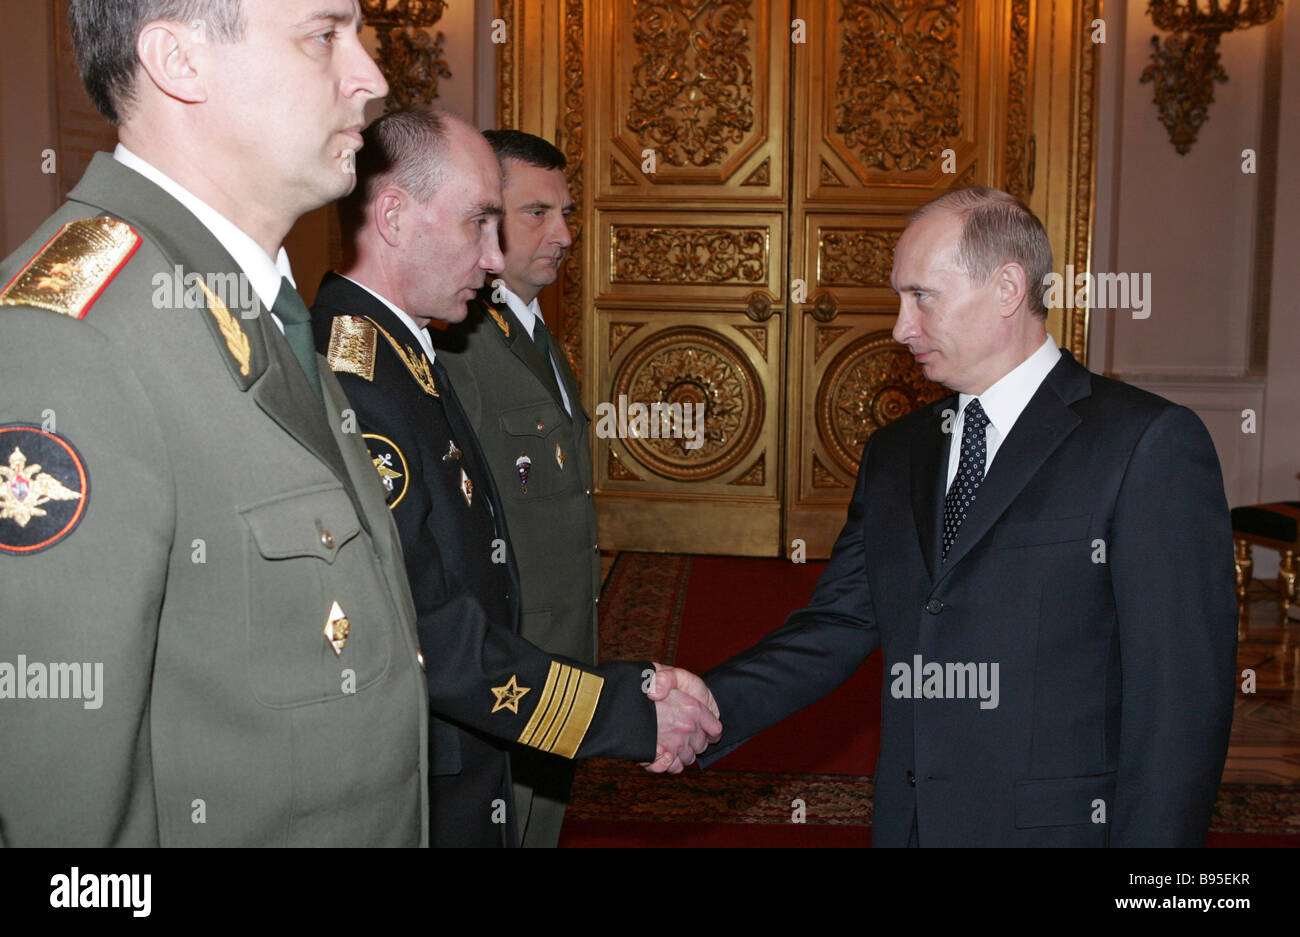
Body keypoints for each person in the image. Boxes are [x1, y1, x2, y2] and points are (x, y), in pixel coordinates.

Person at [653, 187, 1239, 846]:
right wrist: (711, 702)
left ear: (1007, 287)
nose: (901, 327)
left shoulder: (1144, 443)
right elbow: (840, 622)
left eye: (921, 296)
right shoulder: (897, 451)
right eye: (899, 300)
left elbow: (1181, 711)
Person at [0, 0, 433, 845]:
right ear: (180, 61)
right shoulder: (71, 338)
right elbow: (68, 820)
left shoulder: (256, 299)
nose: (372, 78)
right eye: (323, 36)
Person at [310, 105, 720, 847]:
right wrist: (623, 709)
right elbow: (425, 625)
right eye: (477, 223)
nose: (495, 258)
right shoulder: (359, 377)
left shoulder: (405, 352)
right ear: (395, 217)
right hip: (434, 753)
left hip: (474, 729)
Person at [431, 130, 593, 847]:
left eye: (566, 212)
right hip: (509, 662)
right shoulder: (457, 339)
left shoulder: (532, 330)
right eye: (538, 213)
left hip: (558, 649)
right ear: (486, 216)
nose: (563, 233)